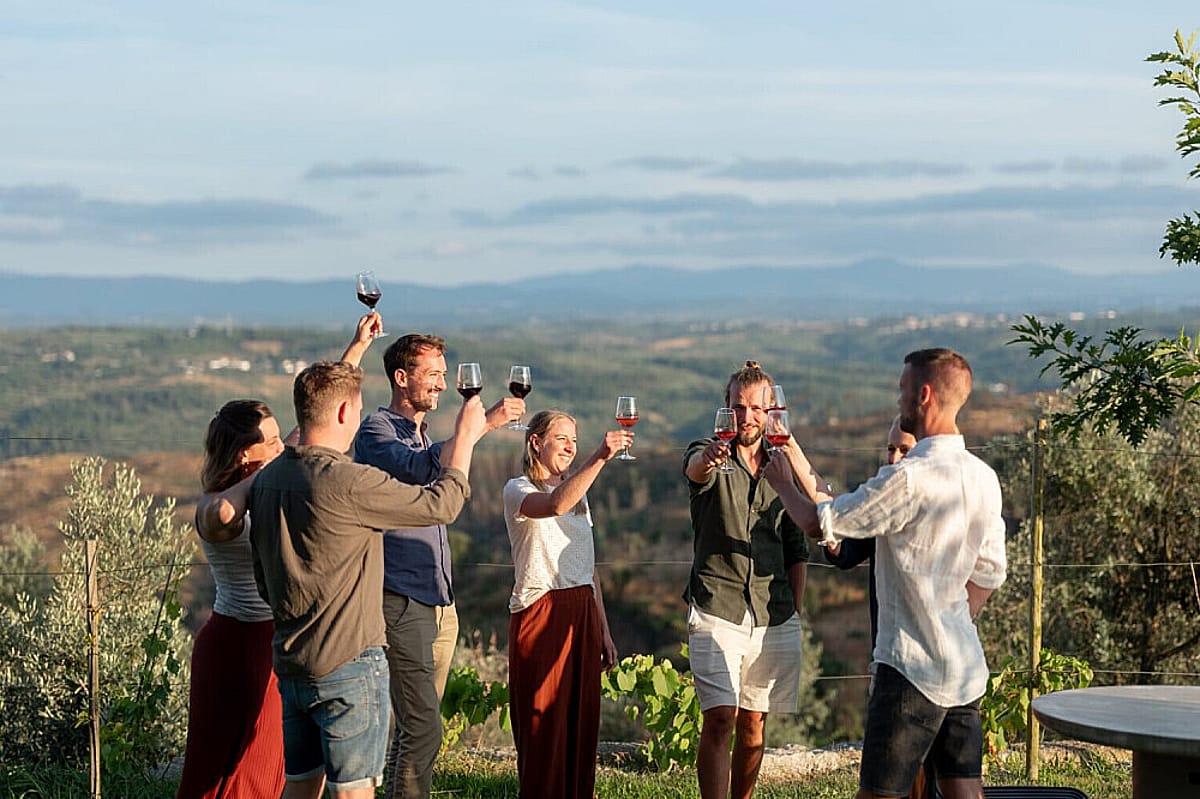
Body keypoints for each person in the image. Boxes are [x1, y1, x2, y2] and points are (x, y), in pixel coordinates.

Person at [765, 348, 1007, 799]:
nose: (898, 401)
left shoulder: (910, 479)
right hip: (965, 666)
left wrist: (782, 485)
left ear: (925, 394)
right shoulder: (983, 477)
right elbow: (990, 574)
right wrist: (948, 616)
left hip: (909, 669)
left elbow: (826, 521)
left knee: (878, 794)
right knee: (965, 792)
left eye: (902, 391)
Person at [248, 358, 488, 799]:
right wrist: (468, 438)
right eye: (357, 410)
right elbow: (441, 505)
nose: (359, 418)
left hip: (292, 661)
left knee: (300, 788)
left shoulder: (267, 481)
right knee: (353, 792)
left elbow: (263, 579)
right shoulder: (348, 482)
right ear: (342, 412)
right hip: (349, 665)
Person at [177, 313, 380, 799]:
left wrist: (355, 350)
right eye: (268, 440)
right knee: (220, 768)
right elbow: (219, 513)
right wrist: (271, 470)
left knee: (273, 767)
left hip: (275, 641)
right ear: (244, 454)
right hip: (235, 647)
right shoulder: (217, 505)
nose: (281, 443)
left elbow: (310, 425)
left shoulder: (268, 466)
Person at [352, 334, 524, 799]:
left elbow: (437, 458)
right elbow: (419, 469)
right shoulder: (376, 431)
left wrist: (480, 427)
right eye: (433, 375)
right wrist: (475, 430)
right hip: (401, 597)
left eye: (445, 376)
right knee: (423, 729)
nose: (442, 385)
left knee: (412, 729)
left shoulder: (422, 431)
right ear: (401, 378)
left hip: (438, 599)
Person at [682, 360, 810, 799]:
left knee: (754, 723)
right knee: (720, 717)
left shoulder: (783, 466)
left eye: (757, 408)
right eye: (739, 407)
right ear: (726, 409)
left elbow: (797, 545)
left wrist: (795, 608)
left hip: (774, 612)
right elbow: (695, 469)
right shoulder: (709, 452)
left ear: (772, 410)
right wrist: (708, 459)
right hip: (717, 606)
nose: (747, 417)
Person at [501, 409, 629, 799]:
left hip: (583, 613)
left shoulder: (578, 491)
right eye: (561, 438)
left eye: (575, 439)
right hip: (541, 614)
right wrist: (600, 457)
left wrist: (603, 630)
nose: (571, 446)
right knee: (544, 730)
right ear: (535, 442)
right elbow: (554, 504)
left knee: (580, 726)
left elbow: (587, 567)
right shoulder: (517, 490)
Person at [824, 416, 941, 799]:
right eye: (889, 448)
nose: (892, 457)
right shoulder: (886, 499)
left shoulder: (936, 502)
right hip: (889, 652)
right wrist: (830, 518)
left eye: (902, 449)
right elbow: (845, 554)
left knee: (917, 769)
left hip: (929, 657)